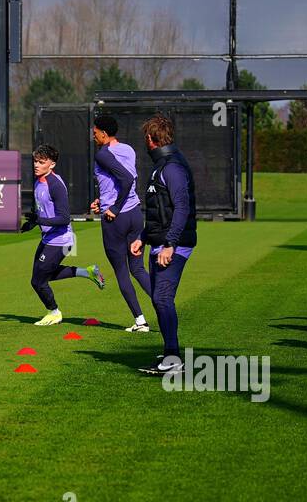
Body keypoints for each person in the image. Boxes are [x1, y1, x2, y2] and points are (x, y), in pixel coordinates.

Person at [130, 114, 197, 375]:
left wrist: (170, 244)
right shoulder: (162, 166)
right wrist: (143, 237)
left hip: (175, 244)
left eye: (145, 138)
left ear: (150, 139)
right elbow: (161, 211)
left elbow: (181, 207)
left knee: (162, 297)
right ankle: (170, 353)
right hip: (161, 242)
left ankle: (173, 359)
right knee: (160, 300)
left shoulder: (172, 168)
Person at [22, 144, 104, 326]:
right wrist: (32, 223)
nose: (36, 165)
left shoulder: (55, 185)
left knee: (38, 281)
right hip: (48, 238)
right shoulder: (38, 181)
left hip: (61, 240)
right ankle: (87, 272)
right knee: (44, 276)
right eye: (35, 161)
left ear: (52, 165)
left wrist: (39, 221)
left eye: (41, 162)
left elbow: (64, 218)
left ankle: (54, 312)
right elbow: (42, 210)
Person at [90, 114, 151, 333]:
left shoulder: (103, 155)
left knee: (122, 271)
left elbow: (125, 179)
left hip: (116, 219)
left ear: (104, 133)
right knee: (138, 268)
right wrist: (103, 201)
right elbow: (121, 182)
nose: (93, 135)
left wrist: (113, 207)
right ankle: (165, 308)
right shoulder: (129, 149)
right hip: (135, 214)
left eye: (95, 132)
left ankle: (140, 321)